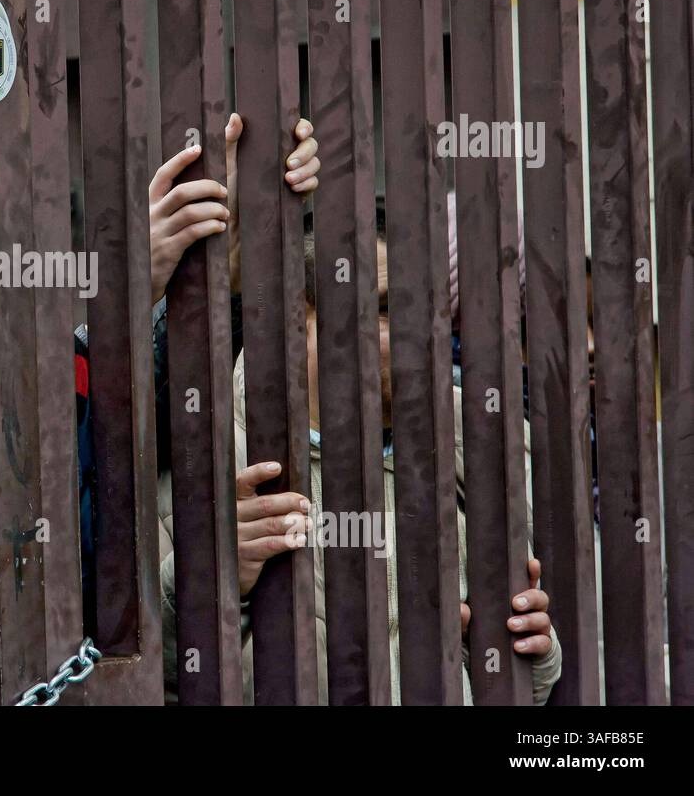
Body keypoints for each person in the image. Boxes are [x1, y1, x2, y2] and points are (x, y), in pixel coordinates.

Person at [155, 183, 564, 703]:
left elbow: (514, 683)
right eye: (388, 309)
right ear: (299, 320)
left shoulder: (475, 448)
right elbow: (147, 676)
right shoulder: (201, 456)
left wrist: (536, 659)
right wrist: (207, 576)